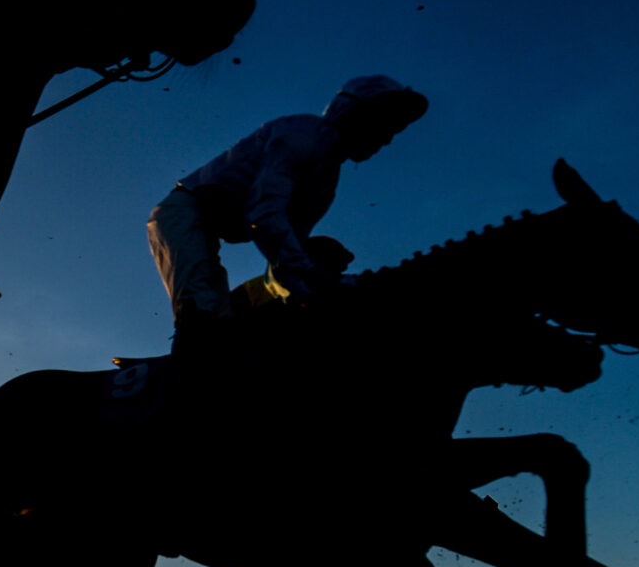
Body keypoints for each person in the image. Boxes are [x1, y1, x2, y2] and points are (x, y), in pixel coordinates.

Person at [147, 75, 428, 359]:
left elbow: (284, 261)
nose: (388, 139)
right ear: (354, 113)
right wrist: (314, 277)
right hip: (182, 212)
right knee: (201, 315)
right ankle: (179, 375)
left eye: (395, 129)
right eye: (385, 124)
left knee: (223, 329)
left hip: (205, 223)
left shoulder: (325, 184)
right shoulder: (303, 136)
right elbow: (264, 214)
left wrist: (308, 297)